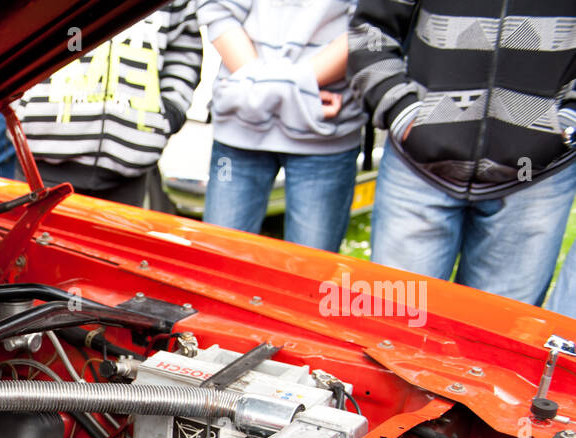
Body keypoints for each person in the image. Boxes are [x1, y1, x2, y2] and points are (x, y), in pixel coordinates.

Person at [350, 1, 576, 306]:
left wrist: (566, 126)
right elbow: (371, 32)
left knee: (497, 340)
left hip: (535, 179)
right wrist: (401, 113)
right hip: (418, 171)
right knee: (393, 327)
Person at [198, 0, 366, 252]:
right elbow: (216, 8)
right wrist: (298, 89)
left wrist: (264, 87)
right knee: (218, 261)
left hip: (324, 136)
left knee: (309, 275)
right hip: (241, 127)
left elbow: (369, 25)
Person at [18, 2, 202, 210]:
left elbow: (185, 46)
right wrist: (13, 106)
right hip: (38, 165)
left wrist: (169, 113)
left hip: (130, 169)